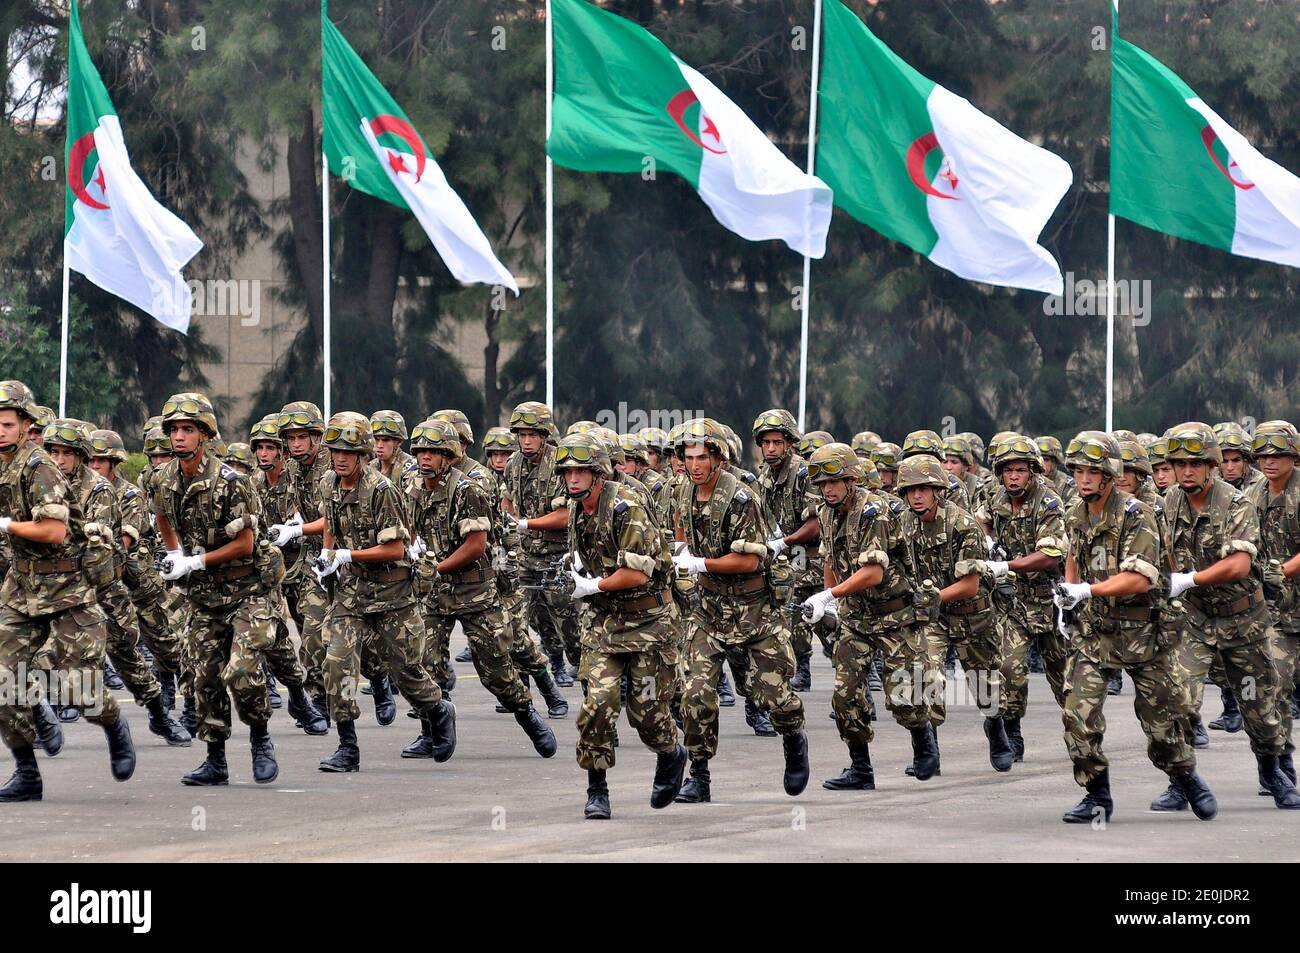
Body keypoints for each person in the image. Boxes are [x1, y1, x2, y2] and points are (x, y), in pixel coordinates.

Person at [1053, 430, 1217, 822]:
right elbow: (1073, 554)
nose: (1084, 479)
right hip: (1095, 633)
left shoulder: (1137, 514)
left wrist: (1086, 590)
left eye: (1093, 472)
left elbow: (1139, 579)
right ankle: (1097, 795)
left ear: (1110, 473)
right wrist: (1068, 598)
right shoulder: (1076, 512)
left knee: (1162, 725)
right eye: (1078, 472)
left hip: (1145, 633)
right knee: (1077, 714)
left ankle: (1185, 776)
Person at [0, 382, 135, 801]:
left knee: (77, 688)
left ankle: (114, 724)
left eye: (6, 424)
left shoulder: (38, 466)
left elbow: (54, 532)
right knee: (4, 683)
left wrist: (4, 525)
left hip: (67, 590)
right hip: (21, 587)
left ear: (25, 426)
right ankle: (26, 772)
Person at [1159, 423, 1299, 809]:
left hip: (1244, 624)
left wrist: (1188, 579)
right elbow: (1164, 552)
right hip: (1196, 622)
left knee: (1260, 709)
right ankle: (1182, 779)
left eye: (1196, 463)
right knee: (1180, 701)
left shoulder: (1238, 504)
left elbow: (1238, 565)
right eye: (1179, 464)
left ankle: (1273, 770)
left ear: (1212, 466)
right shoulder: (1169, 502)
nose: (1186, 471)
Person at [671, 419, 808, 803]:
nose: (693, 465)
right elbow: (683, 531)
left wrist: (701, 564)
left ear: (718, 458)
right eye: (688, 457)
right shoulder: (683, 491)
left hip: (754, 610)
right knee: (695, 693)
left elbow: (749, 561)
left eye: (702, 457)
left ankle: (794, 740)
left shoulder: (742, 498)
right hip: (709, 610)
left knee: (772, 695)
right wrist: (682, 554)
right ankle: (699, 776)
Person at [401, 419, 555, 759]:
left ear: (448, 455)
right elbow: (411, 528)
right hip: (434, 594)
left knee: (495, 670)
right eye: (421, 451)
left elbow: (476, 544)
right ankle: (432, 730)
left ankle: (528, 715)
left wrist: (436, 566)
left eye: (433, 452)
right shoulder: (412, 486)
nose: (425, 458)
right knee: (425, 662)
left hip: (475, 592)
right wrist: (413, 554)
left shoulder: (467, 489)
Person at [553, 432, 687, 819]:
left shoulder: (626, 507)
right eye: (568, 472)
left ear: (598, 473)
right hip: (604, 623)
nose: (573, 479)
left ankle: (670, 752)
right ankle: (597, 789)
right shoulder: (579, 506)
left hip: (647, 623)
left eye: (581, 472)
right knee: (598, 704)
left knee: (646, 711)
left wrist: (590, 584)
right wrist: (576, 572)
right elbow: (587, 556)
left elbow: (636, 574)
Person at [313, 412, 456, 773]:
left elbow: (395, 549)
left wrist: (348, 553)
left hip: (393, 595)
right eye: (335, 451)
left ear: (362, 454)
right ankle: (347, 747)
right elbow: (332, 521)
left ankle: (439, 711)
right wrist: (329, 556)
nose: (340, 457)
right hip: (352, 594)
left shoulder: (381, 490)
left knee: (406, 672)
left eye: (348, 451)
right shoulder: (330, 482)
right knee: (337, 664)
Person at [151, 393, 279, 786]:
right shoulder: (164, 478)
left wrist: (196, 560)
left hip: (247, 590)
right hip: (204, 597)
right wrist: (176, 556)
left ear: (205, 435)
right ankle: (215, 760)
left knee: (241, 671)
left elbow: (245, 543)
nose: (179, 437)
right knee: (204, 677)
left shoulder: (232, 482)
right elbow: (162, 517)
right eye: (174, 430)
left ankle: (260, 739)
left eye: (188, 429)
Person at [802, 443, 923, 789]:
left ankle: (923, 743)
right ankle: (860, 768)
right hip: (856, 618)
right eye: (822, 484)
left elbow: (873, 572)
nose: (827, 489)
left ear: (851, 480)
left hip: (894, 615)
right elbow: (830, 558)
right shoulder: (826, 513)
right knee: (845, 695)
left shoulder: (874, 511)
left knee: (904, 698)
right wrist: (832, 602)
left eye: (834, 481)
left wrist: (829, 594)